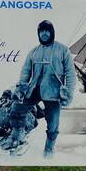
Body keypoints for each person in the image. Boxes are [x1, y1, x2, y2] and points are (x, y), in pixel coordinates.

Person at [16, 19, 75, 158]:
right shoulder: (34, 52)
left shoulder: (63, 50)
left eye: (46, 31)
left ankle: (48, 150)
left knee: (53, 124)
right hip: (34, 89)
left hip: (53, 92)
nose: (44, 34)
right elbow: (25, 72)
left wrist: (68, 93)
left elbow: (71, 74)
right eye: (41, 31)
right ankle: (17, 137)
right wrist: (22, 87)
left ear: (52, 32)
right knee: (17, 109)